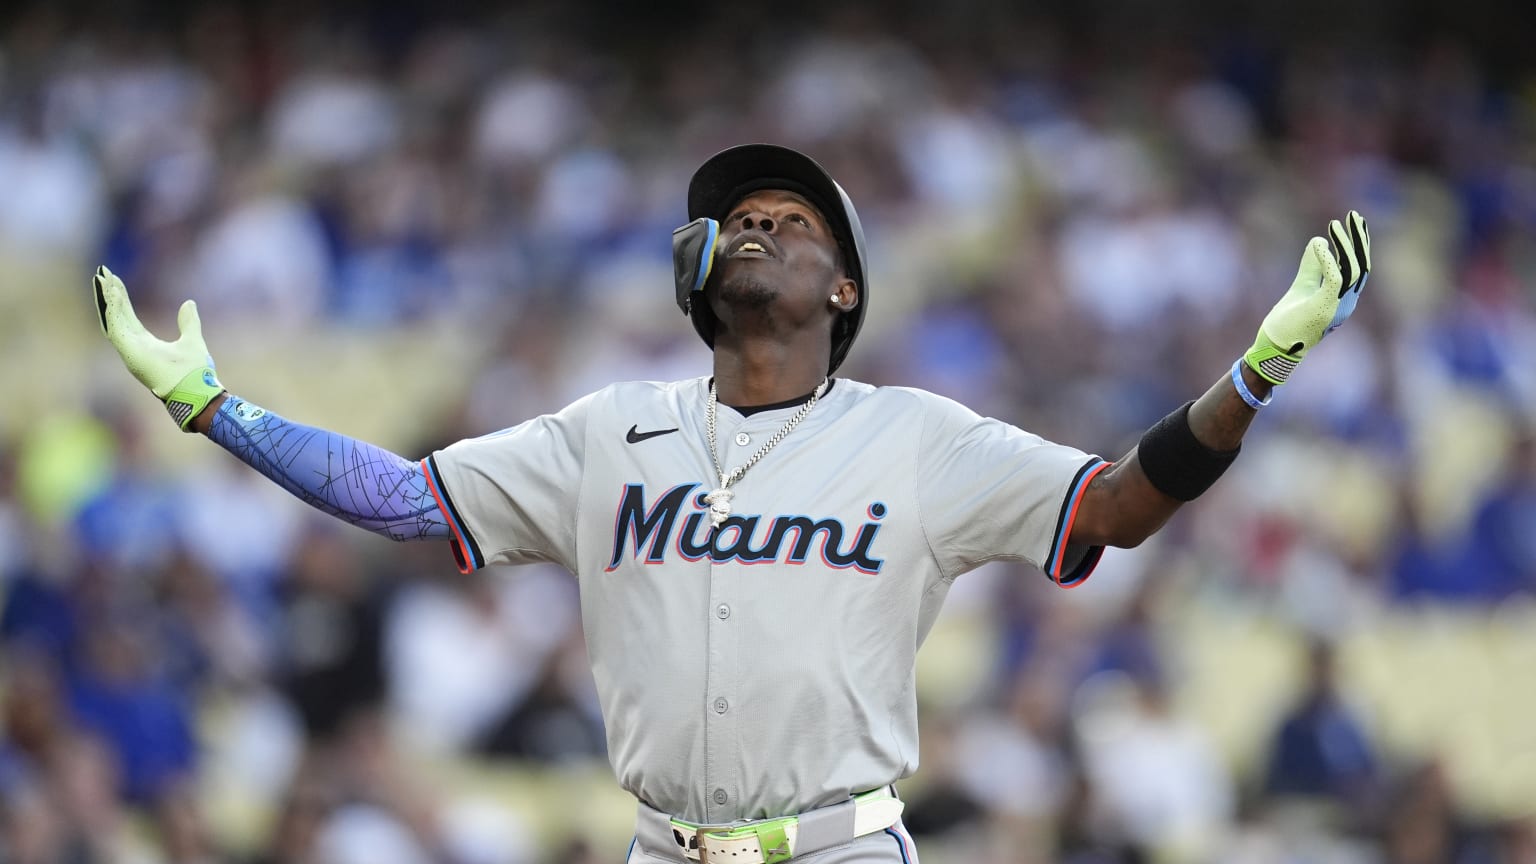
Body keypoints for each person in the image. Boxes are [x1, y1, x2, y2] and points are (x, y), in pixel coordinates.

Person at [94, 143, 1372, 864]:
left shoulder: (914, 435)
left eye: (792, 220)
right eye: (737, 219)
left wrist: (1254, 374)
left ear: (847, 293)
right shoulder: (609, 432)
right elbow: (405, 500)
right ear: (699, 270)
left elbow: (1115, 509)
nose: (758, 225)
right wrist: (217, 408)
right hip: (663, 848)